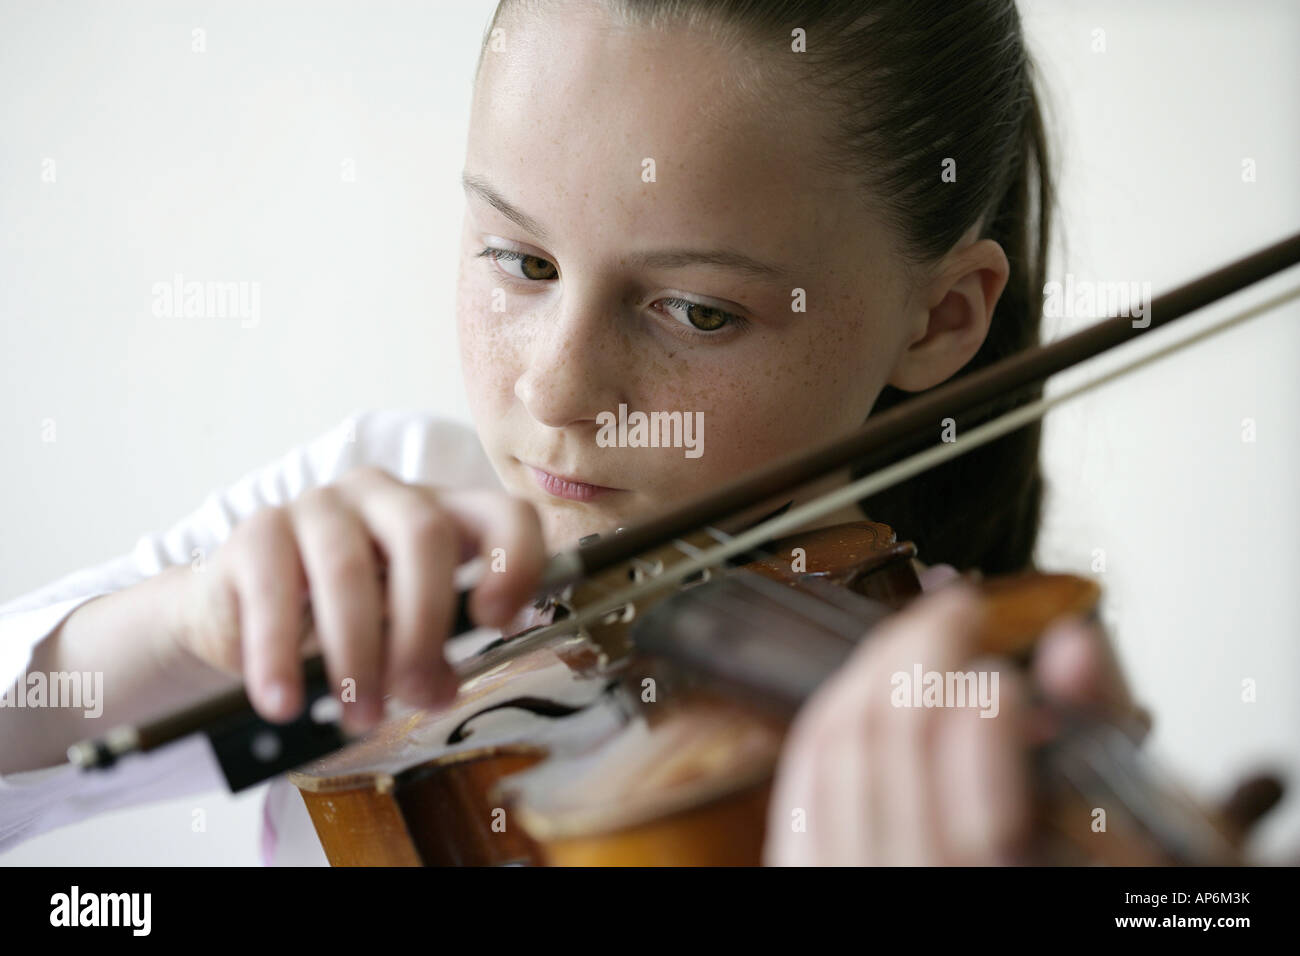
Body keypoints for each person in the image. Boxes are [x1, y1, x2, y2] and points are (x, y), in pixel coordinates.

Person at [0, 0, 1151, 865]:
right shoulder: (395, 506)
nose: (554, 392)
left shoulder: (960, 710)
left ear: (940, 318)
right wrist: (187, 629)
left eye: (696, 310)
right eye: (523, 261)